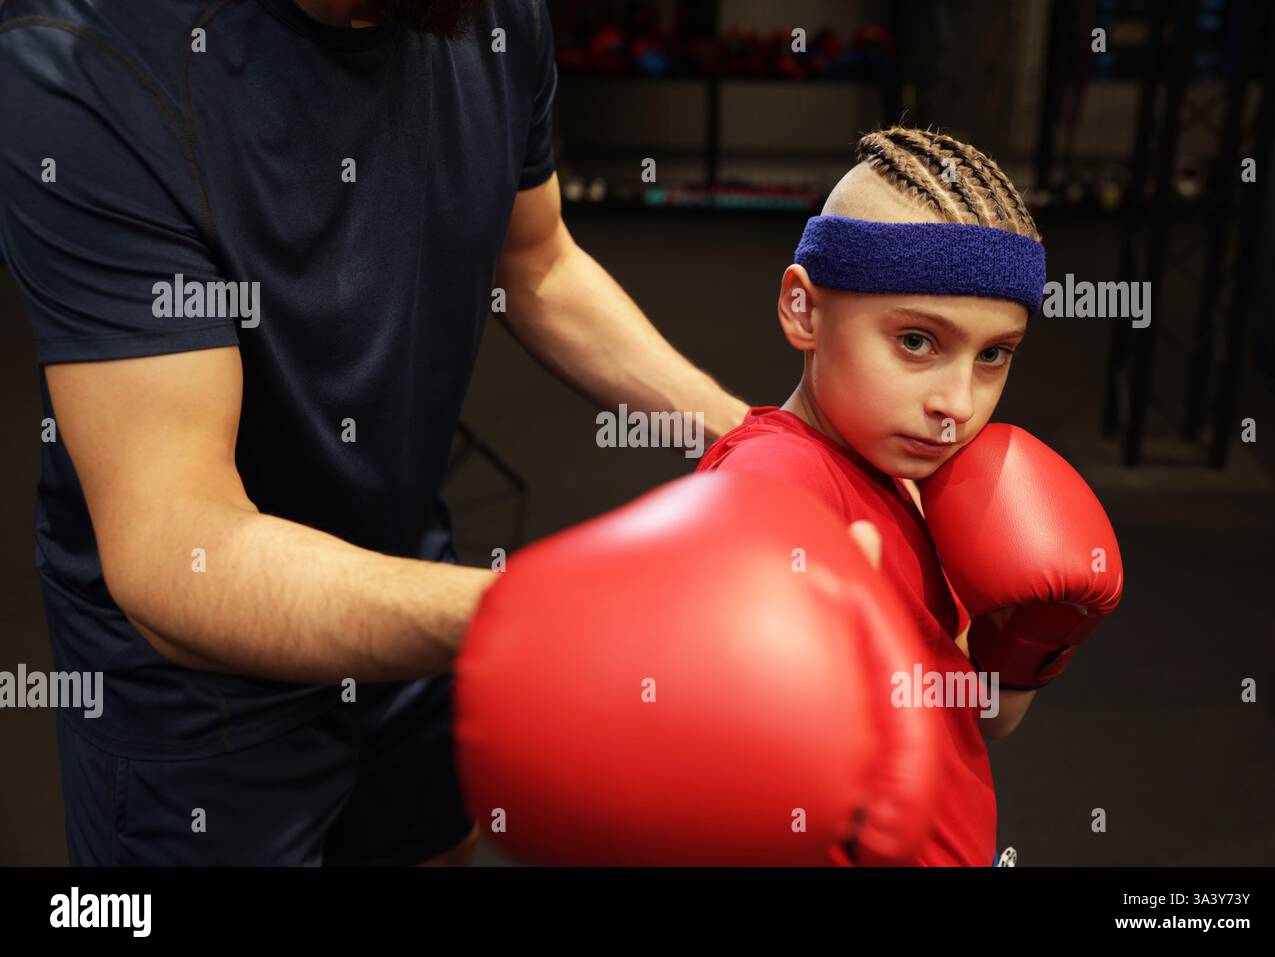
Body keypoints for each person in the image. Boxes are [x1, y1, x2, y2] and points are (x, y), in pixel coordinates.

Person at [0, 0, 747, 865]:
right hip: (200, 697)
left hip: (406, 581)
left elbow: (537, 259)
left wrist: (751, 441)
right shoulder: (82, 60)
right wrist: (560, 615)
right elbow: (179, 543)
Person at [696, 126, 1123, 866]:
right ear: (804, 310)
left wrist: (1028, 639)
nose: (956, 401)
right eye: (918, 341)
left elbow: (985, 716)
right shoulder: (776, 480)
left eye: (993, 355)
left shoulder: (919, 485)